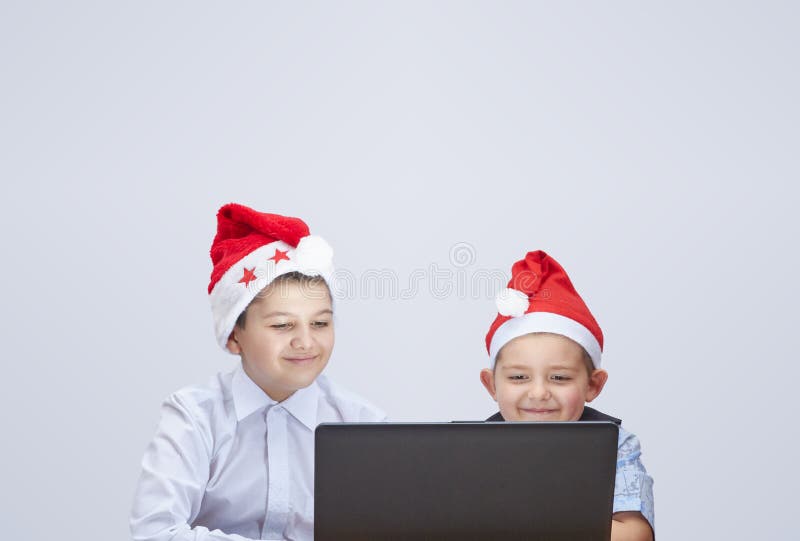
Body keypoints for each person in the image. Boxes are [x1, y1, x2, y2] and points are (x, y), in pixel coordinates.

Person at [130, 203, 385, 541]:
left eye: (320, 323)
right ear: (234, 337)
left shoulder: (362, 424)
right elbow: (155, 532)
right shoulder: (195, 418)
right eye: (282, 325)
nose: (305, 342)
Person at [479, 250, 655, 541]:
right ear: (492, 385)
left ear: (593, 385)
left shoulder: (615, 447)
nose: (538, 393)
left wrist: (535, 519)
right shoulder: (472, 450)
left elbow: (635, 535)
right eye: (518, 377)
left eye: (559, 378)